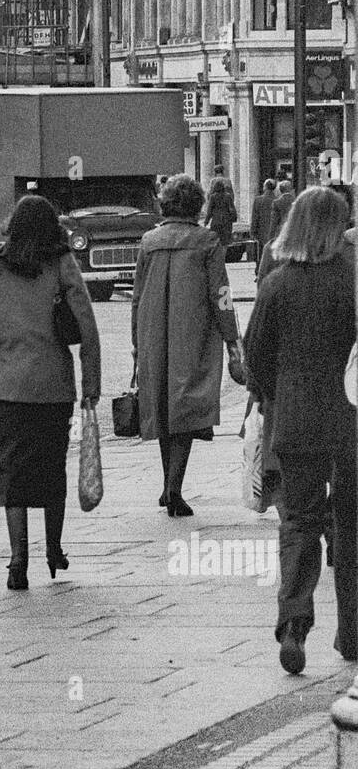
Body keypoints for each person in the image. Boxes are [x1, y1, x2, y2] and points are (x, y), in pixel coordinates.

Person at [0, 195, 101, 590]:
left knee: (11, 476)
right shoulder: (61, 262)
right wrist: (92, 384)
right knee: (52, 471)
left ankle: (18, 561)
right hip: (54, 388)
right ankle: (54, 550)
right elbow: (86, 322)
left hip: (10, 387)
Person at [244, 187, 357, 675]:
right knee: (352, 525)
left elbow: (256, 355)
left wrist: (275, 394)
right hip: (350, 418)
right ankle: (352, 631)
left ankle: (293, 623)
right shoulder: (351, 282)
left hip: (293, 417)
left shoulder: (277, 284)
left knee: (299, 522)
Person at [132, 174, 241, 517]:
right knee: (186, 408)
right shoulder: (207, 242)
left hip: (153, 333)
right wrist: (232, 340)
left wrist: (137, 342)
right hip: (192, 334)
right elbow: (221, 296)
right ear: (197, 205)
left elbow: (136, 296)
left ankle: (169, 483)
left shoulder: (149, 241)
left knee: (164, 408)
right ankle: (173, 488)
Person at [204, 174, 237, 248]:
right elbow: (231, 208)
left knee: (215, 242)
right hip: (226, 222)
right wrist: (233, 218)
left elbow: (209, 211)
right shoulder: (228, 196)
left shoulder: (213, 197)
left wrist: (206, 221)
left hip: (216, 222)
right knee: (225, 242)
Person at [250, 178, 278, 256]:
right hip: (275, 233)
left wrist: (252, 232)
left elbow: (255, 217)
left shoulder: (258, 200)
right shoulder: (278, 200)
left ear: (265, 187)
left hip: (261, 233)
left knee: (261, 255)